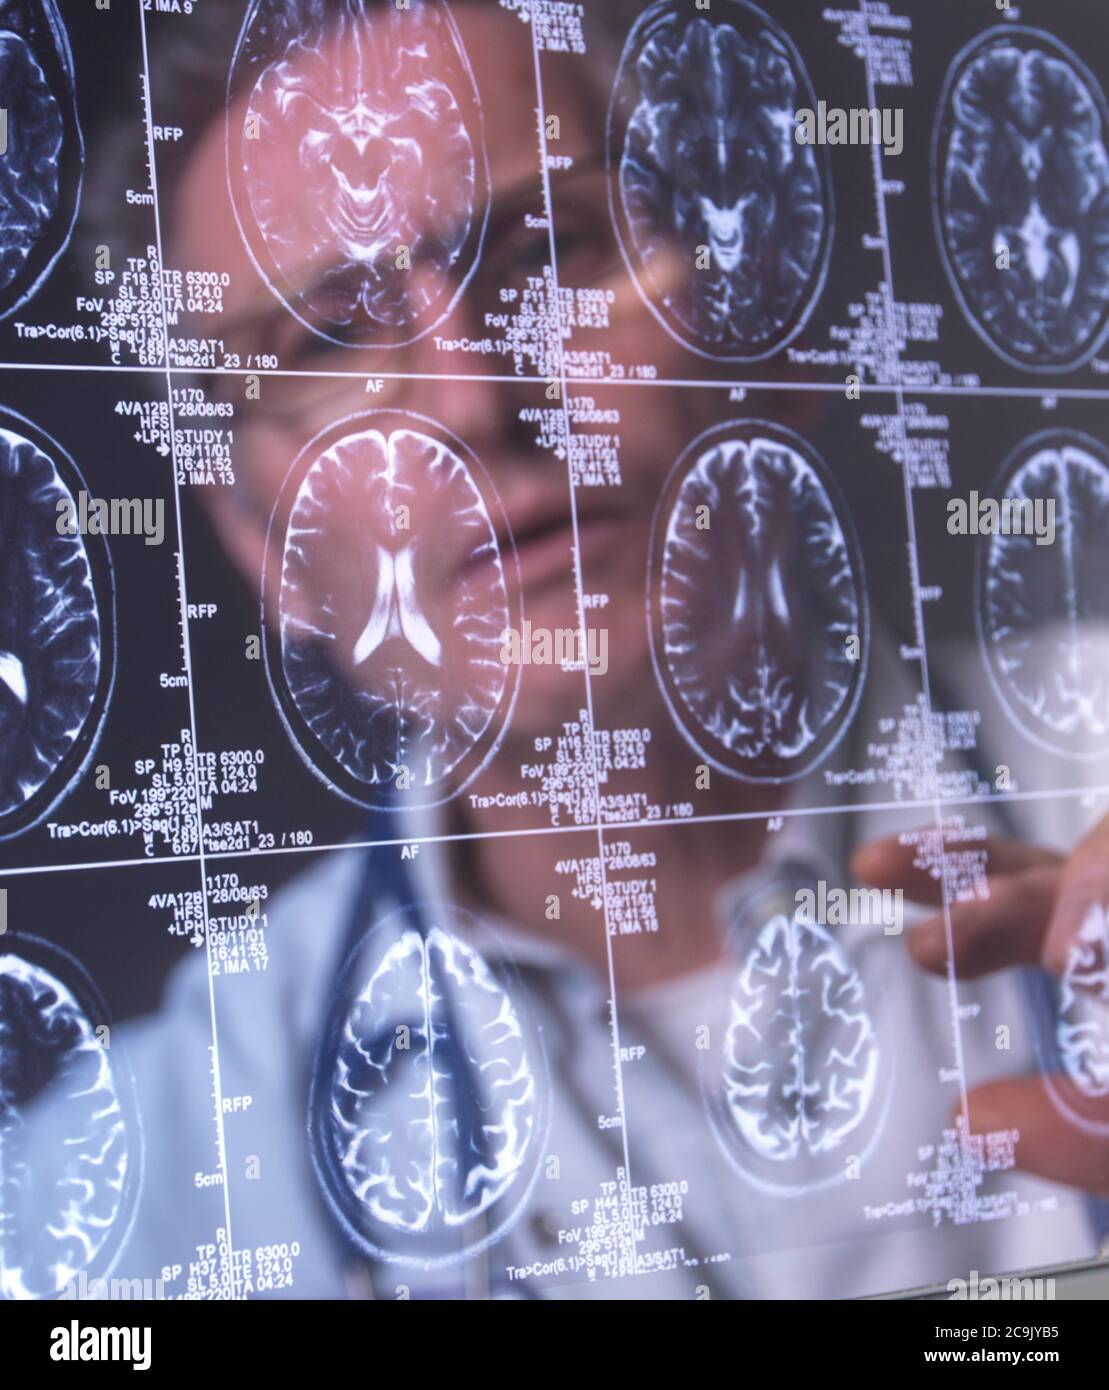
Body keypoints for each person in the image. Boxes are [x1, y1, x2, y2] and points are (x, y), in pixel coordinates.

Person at [19, 0, 1109, 1300]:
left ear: (761, 314)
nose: (478, 403)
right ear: (264, 542)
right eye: (325, 337)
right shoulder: (110, 1201)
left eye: (553, 246)